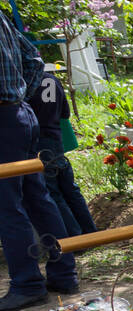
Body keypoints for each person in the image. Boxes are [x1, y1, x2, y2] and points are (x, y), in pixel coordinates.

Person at [0, 11, 78, 311]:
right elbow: (33, 60)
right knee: (37, 197)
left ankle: (28, 284)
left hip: (5, 119)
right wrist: (20, 96)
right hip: (19, 114)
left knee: (8, 207)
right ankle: (63, 273)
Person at [28, 73, 97, 239]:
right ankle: (91, 232)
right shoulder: (51, 79)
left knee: (52, 192)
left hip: (38, 141)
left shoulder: (26, 81)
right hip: (56, 137)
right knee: (70, 189)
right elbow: (65, 112)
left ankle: (74, 237)